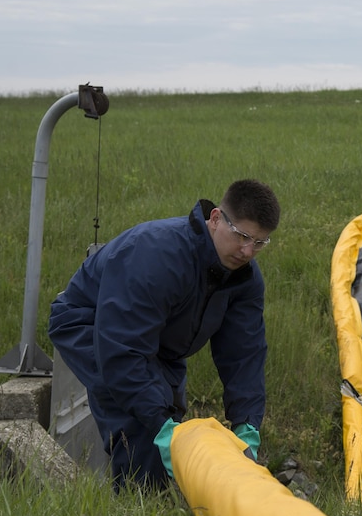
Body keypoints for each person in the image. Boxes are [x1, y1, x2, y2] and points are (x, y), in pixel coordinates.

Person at [48, 179, 281, 491]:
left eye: (259, 243)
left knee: (167, 414)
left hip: (158, 342)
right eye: (241, 236)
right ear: (215, 219)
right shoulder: (156, 256)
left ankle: (162, 494)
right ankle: (135, 515)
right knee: (141, 423)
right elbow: (122, 350)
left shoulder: (244, 281)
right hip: (90, 324)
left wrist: (247, 424)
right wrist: (158, 424)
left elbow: (244, 354)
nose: (247, 251)